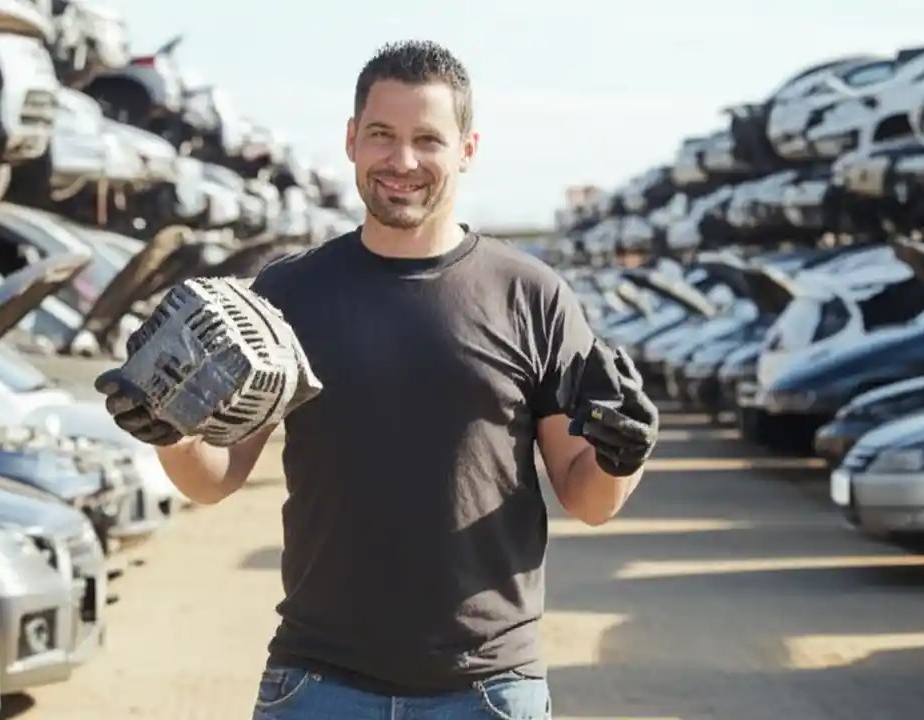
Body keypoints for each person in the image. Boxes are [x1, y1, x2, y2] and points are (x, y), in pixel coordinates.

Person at [98, 39, 659, 719]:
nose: (403, 161)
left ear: (467, 150)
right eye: (382, 136)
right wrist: (171, 432)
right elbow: (218, 478)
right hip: (318, 683)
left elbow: (590, 498)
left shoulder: (532, 297)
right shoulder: (288, 293)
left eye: (429, 138)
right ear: (351, 141)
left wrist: (620, 456)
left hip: (486, 689)